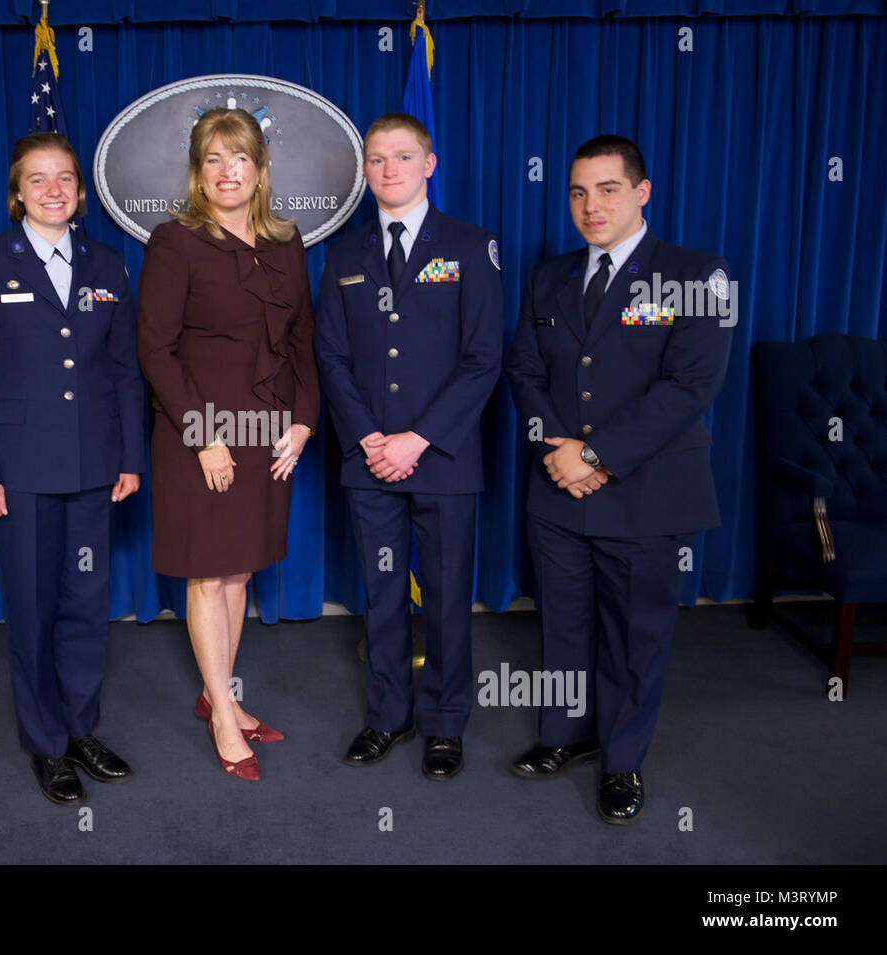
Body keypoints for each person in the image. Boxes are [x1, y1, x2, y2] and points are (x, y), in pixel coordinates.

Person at [506, 134, 732, 824]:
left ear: (642, 191)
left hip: (643, 493)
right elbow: (526, 373)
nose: (590, 205)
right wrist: (558, 451)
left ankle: (623, 760)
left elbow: (689, 387)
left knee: (636, 634)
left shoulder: (698, 275)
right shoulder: (549, 276)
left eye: (607, 189)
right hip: (557, 489)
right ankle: (565, 734)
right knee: (565, 625)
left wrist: (594, 456)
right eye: (577, 192)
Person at [0, 132, 144, 807]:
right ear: (17, 193)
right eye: (38, 179)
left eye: (65, 178)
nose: (54, 189)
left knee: (86, 606)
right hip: (19, 469)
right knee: (32, 610)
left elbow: (124, 371)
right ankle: (46, 742)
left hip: (94, 466)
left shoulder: (109, 264)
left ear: (80, 191)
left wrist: (130, 457)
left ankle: (81, 726)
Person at [315, 113, 503, 779]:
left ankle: (446, 722)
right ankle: (387, 715)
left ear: (430, 163)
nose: (389, 169)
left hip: (443, 457)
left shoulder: (471, 246)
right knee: (383, 591)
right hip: (370, 460)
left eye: (402, 156)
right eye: (376, 159)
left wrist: (417, 439)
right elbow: (331, 358)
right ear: (365, 172)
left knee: (448, 595)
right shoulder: (345, 257)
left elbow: (484, 359)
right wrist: (371, 437)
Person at [137, 108, 319, 782]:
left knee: (241, 570)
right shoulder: (174, 241)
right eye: (212, 159)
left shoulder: (287, 242)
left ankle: (219, 690)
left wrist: (303, 421)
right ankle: (221, 714)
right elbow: (154, 349)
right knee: (209, 574)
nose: (226, 171)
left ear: (260, 170)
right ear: (197, 172)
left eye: (238, 158)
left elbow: (303, 339)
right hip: (200, 433)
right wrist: (202, 435)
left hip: (269, 432)